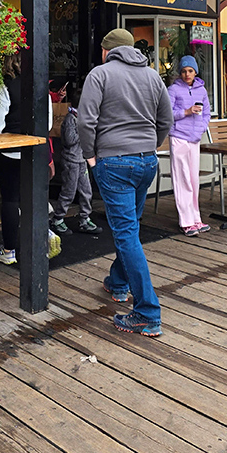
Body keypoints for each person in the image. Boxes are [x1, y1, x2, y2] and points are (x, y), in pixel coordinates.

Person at [79, 28, 172, 337]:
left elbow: (85, 120)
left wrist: (91, 157)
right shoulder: (153, 76)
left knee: (126, 234)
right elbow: (166, 121)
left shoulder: (100, 74)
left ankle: (146, 312)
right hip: (146, 161)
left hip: (114, 162)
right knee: (130, 226)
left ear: (108, 51)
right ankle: (117, 283)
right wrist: (150, 145)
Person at [0, 53, 60, 265]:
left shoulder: (4, 86)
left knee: (11, 200)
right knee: (33, 197)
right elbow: (47, 124)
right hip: (35, 151)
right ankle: (43, 239)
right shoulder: (40, 88)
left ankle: (9, 250)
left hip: (10, 151)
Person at [168, 55, 212, 236]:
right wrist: (186, 112)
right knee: (182, 179)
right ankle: (186, 221)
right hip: (179, 138)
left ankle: (196, 219)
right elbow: (167, 113)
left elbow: (207, 112)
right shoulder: (173, 90)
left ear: (195, 72)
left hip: (194, 139)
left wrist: (202, 127)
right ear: (180, 72)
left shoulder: (202, 90)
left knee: (194, 180)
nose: (187, 74)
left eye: (190, 71)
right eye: (184, 71)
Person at [50, 86, 102, 236]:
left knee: (87, 191)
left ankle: (85, 218)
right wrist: (83, 130)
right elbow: (70, 140)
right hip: (71, 160)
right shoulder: (70, 119)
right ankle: (58, 218)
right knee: (69, 191)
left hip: (82, 160)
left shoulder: (82, 119)